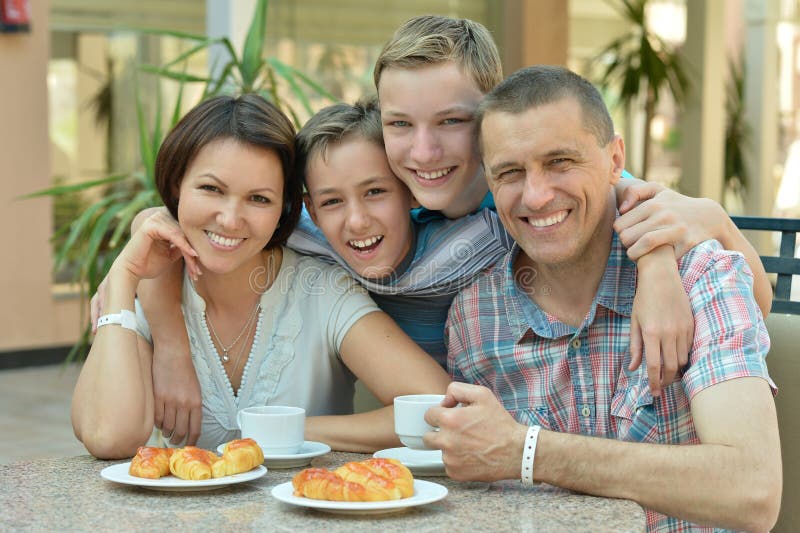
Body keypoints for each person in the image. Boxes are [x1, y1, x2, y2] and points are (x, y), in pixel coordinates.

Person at [426, 66, 781, 532]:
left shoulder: (699, 276)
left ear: (616, 160)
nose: (535, 195)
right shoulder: (474, 316)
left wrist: (527, 451)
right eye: (510, 172)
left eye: (560, 162)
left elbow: (752, 491)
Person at [71, 94, 450, 459]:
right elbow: (108, 437)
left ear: (286, 208)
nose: (231, 219)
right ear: (176, 186)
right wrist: (124, 276)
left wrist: (291, 430)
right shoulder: (154, 291)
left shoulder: (317, 290)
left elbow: (436, 411)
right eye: (211, 189)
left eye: (259, 199)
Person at [290, 97, 511, 365]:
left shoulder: (477, 238)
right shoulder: (305, 236)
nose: (357, 222)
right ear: (312, 211)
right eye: (332, 201)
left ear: (412, 192)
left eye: (375, 192)